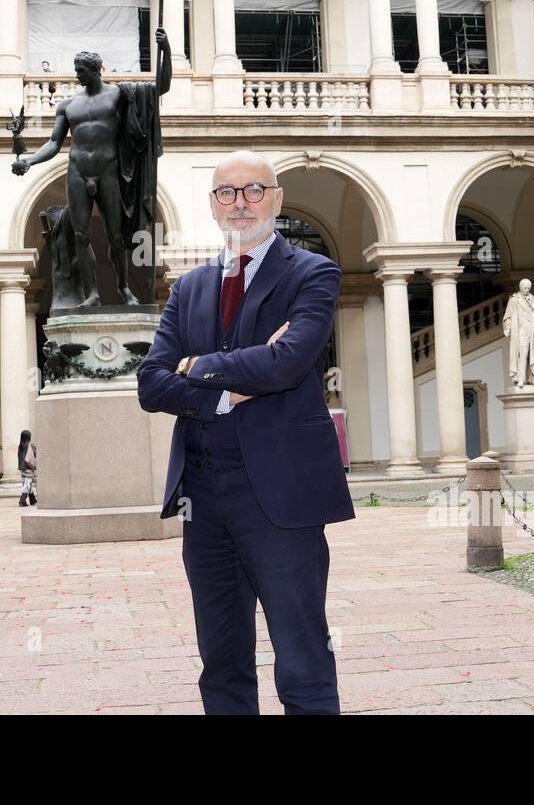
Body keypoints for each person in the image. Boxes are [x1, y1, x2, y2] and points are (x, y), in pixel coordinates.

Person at [137, 149, 354, 715]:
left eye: (254, 189)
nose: (240, 202)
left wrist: (195, 367)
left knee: (301, 653)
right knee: (221, 659)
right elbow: (151, 385)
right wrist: (229, 389)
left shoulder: (312, 273)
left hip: (282, 497)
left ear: (277, 200)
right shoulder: (188, 288)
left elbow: (288, 364)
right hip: (203, 497)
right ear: (212, 205)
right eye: (227, 192)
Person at [18, 430, 38, 507]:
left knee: (27, 483)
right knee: (27, 484)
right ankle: (22, 501)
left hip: (22, 468)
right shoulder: (29, 445)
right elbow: (35, 454)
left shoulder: (20, 446)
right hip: (28, 468)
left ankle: (33, 500)